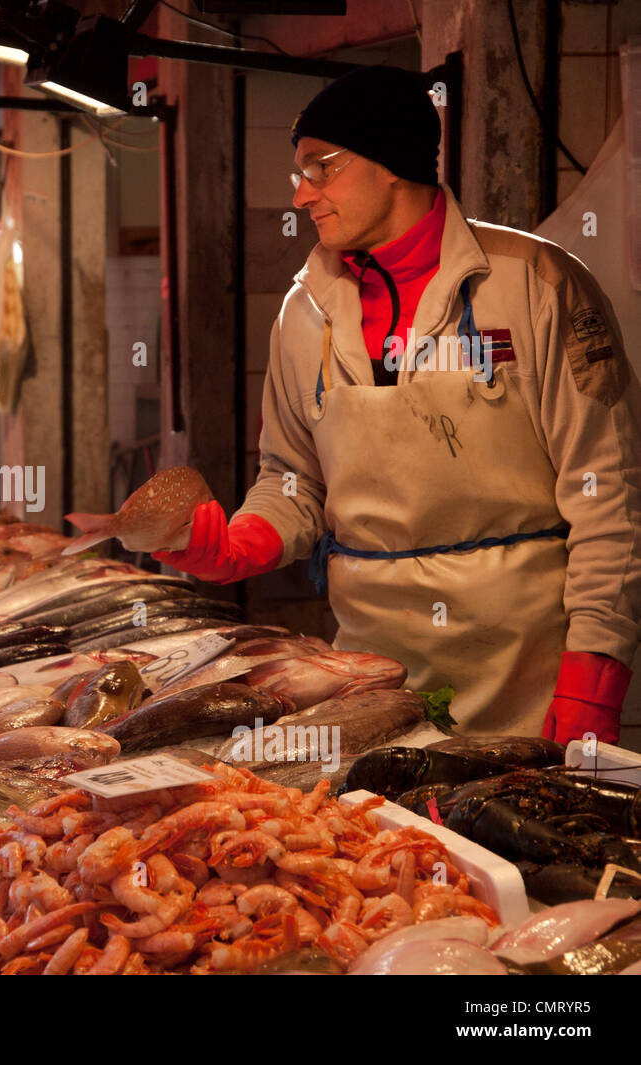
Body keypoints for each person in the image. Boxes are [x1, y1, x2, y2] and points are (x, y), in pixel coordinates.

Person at [155, 65, 641, 744]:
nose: (301, 194)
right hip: (370, 680)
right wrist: (239, 545)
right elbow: (292, 479)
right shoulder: (305, 312)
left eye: (319, 168)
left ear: (390, 163)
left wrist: (594, 680)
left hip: (531, 678)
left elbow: (610, 498)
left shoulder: (536, 284)